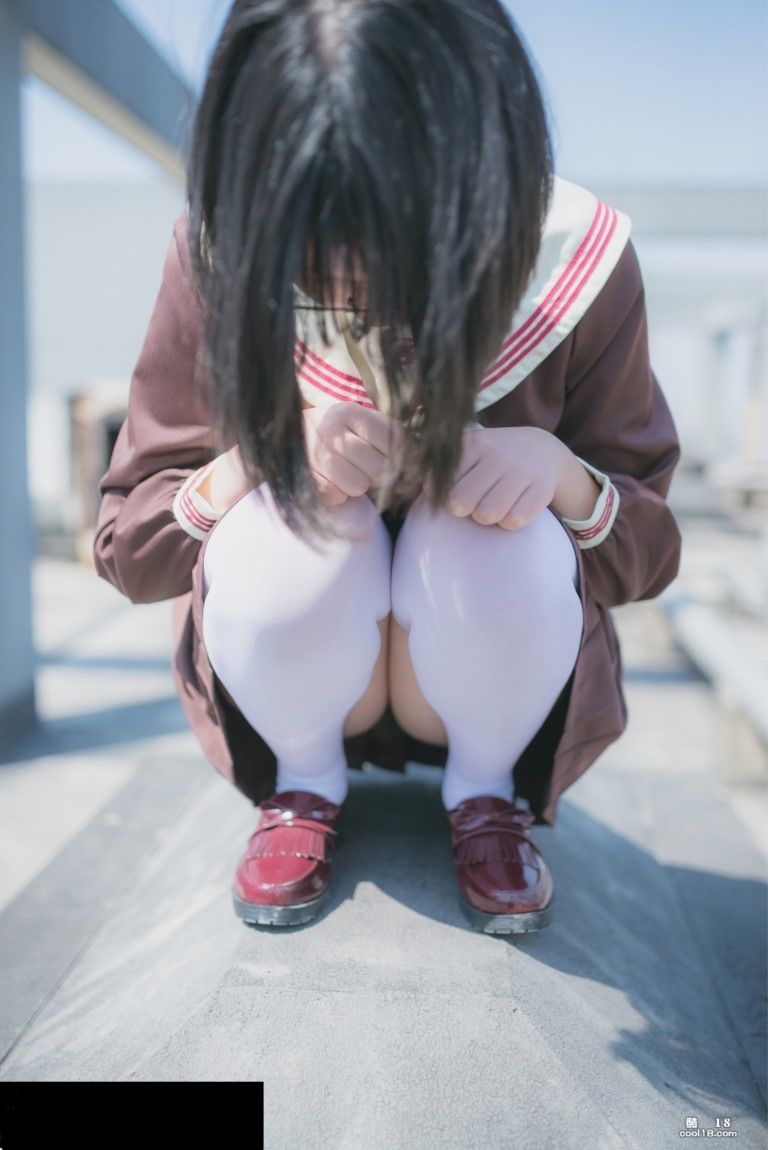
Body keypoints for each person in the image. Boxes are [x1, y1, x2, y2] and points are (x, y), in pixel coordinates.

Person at [93, 0, 683, 934]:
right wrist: (264, 460)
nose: (345, 282)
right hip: (299, 686)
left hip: (498, 686)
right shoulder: (217, 252)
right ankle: (302, 783)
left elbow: (651, 552)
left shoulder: (579, 256)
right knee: (286, 528)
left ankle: (485, 793)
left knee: (493, 534)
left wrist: (559, 473)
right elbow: (128, 547)